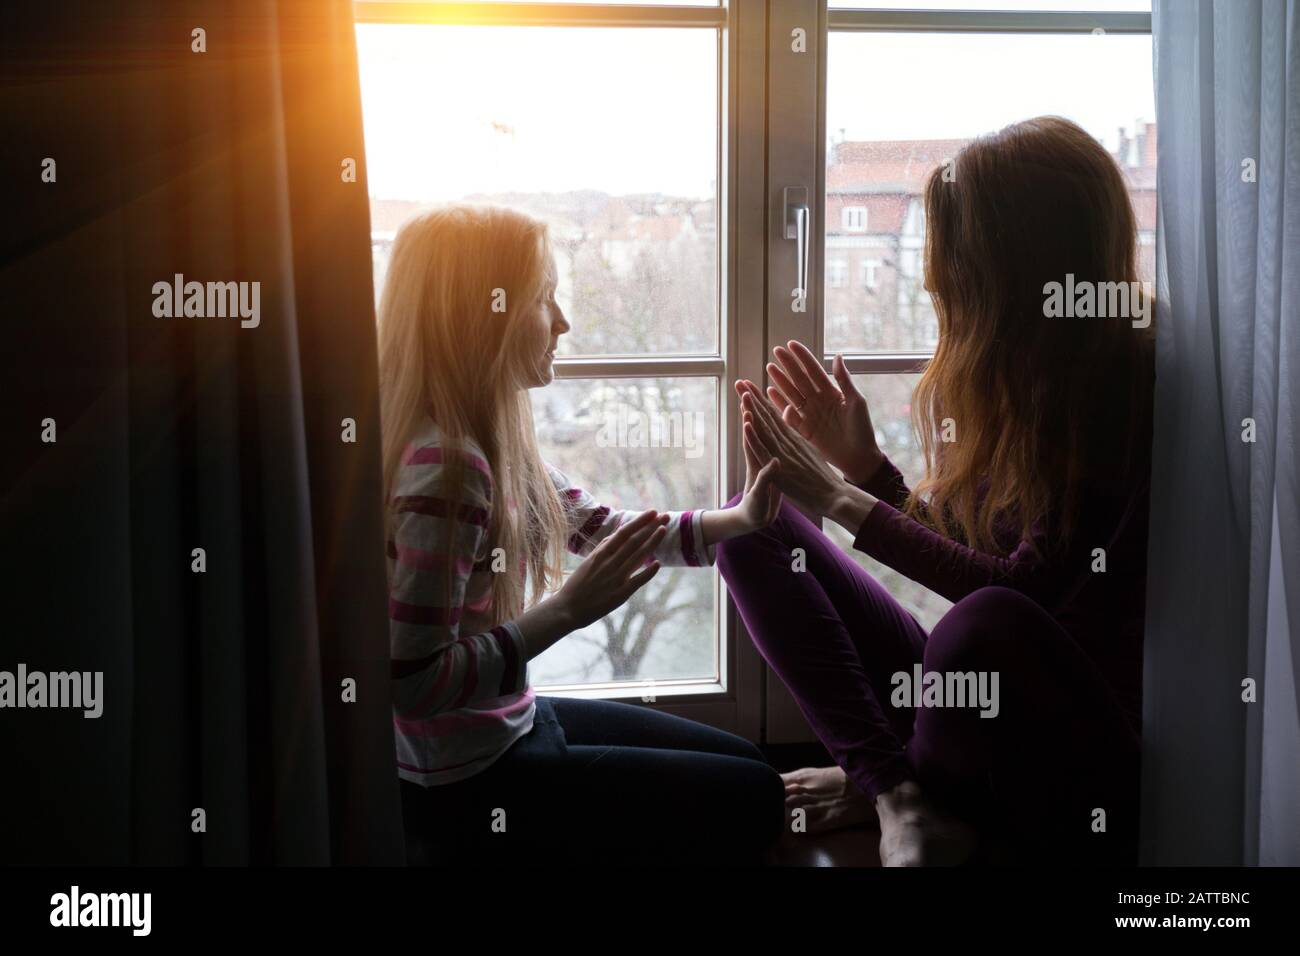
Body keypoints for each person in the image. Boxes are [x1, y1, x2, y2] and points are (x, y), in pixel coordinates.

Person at [720, 116, 1155, 866]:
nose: (939, 288)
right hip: (981, 718)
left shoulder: (1118, 388)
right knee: (752, 527)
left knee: (978, 628)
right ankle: (897, 792)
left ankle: (887, 784)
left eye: (956, 270)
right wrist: (866, 472)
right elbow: (990, 548)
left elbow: (1018, 593)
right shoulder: (1039, 376)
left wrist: (840, 496)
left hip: (1067, 753)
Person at [377, 203, 784, 865]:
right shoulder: (448, 471)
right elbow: (413, 681)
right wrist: (564, 612)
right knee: (759, 797)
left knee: (748, 765)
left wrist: (739, 520)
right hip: (466, 782)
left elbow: (604, 530)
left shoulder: (491, 443)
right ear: (484, 317)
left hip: (507, 726)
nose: (562, 321)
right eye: (544, 299)